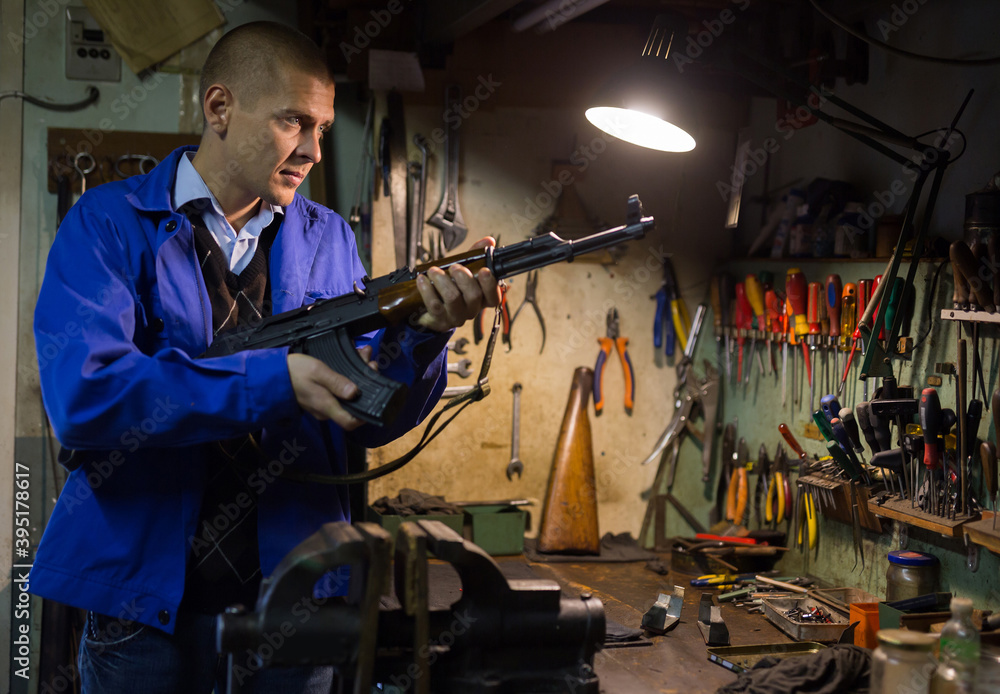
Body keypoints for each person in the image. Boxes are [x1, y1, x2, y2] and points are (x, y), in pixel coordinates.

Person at [29, 21, 498, 694]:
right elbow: (86, 397)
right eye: (292, 122)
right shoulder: (106, 223)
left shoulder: (329, 238)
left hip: (297, 600)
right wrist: (270, 382)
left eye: (324, 130)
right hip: (144, 612)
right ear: (219, 108)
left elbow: (361, 414)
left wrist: (424, 337)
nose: (310, 150)